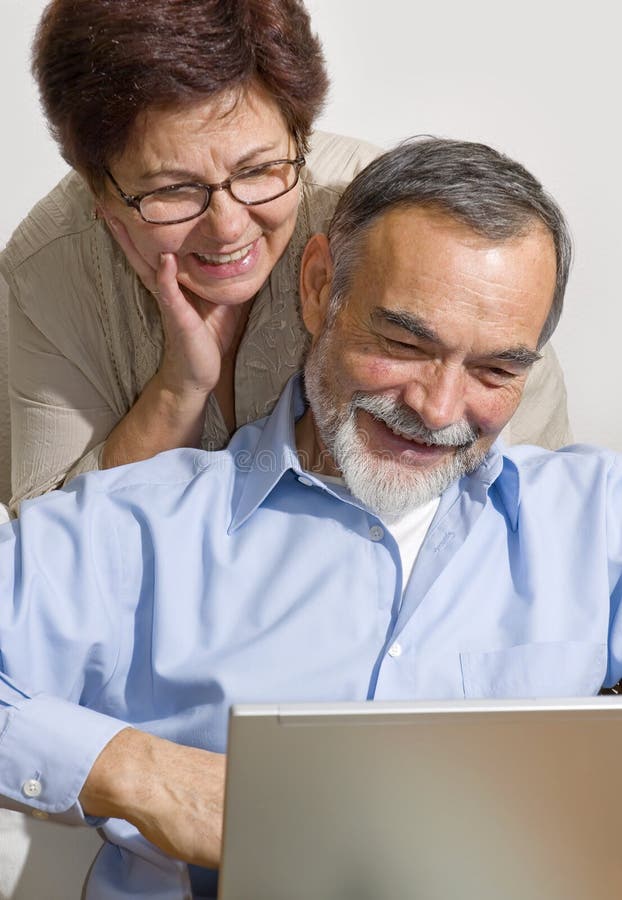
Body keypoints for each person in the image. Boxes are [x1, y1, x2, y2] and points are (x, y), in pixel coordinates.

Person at [0, 137, 618, 898]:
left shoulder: (597, 519)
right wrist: (140, 773)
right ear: (320, 285)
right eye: (403, 343)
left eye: (495, 369)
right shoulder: (140, 529)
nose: (439, 408)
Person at [0, 0, 570, 514]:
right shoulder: (48, 269)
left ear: (301, 134)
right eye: (172, 189)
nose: (227, 229)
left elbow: (524, 521)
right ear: (100, 193)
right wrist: (177, 393)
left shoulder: (391, 232)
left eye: (257, 170)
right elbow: (48, 565)